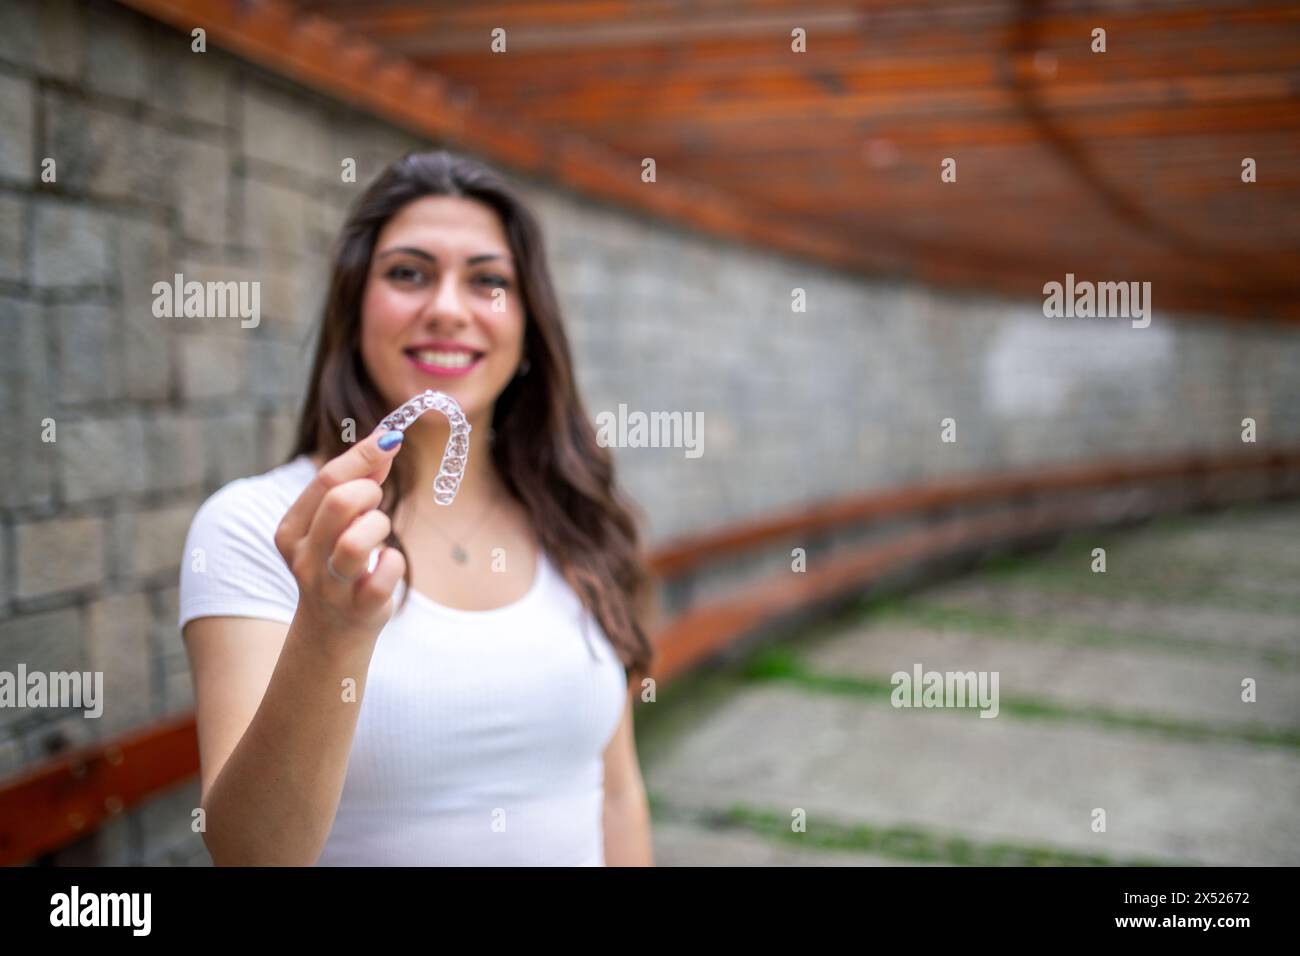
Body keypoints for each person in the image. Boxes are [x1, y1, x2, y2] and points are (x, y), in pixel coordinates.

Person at [178, 150, 657, 866]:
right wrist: (330, 630)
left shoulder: (574, 515)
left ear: (528, 326)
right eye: (409, 273)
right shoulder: (254, 527)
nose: (446, 308)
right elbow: (252, 855)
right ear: (354, 306)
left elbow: (615, 797)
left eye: (488, 281)